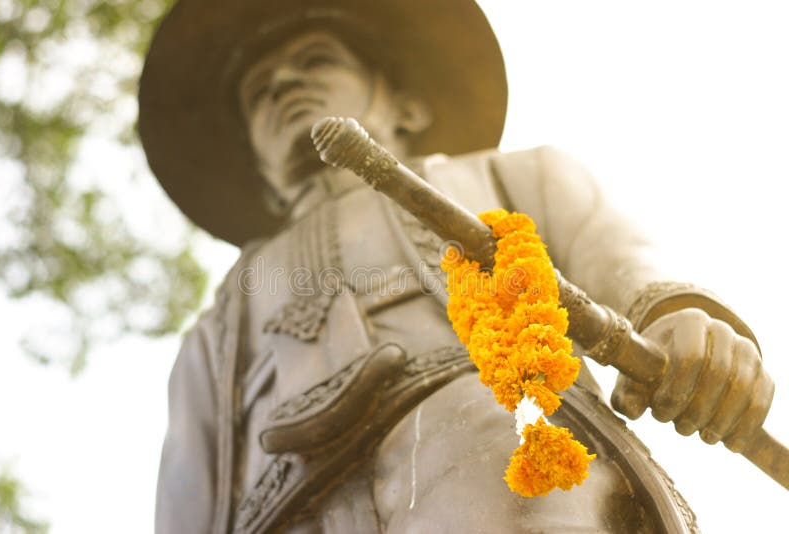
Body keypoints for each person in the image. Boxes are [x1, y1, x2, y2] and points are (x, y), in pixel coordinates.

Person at [138, 1, 773, 532]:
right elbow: (189, 491)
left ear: (405, 105)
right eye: (258, 93)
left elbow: (617, 255)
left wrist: (675, 315)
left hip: (485, 432)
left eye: (315, 61)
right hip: (280, 506)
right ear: (257, 162)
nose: (282, 86)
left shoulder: (508, 174)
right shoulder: (221, 316)